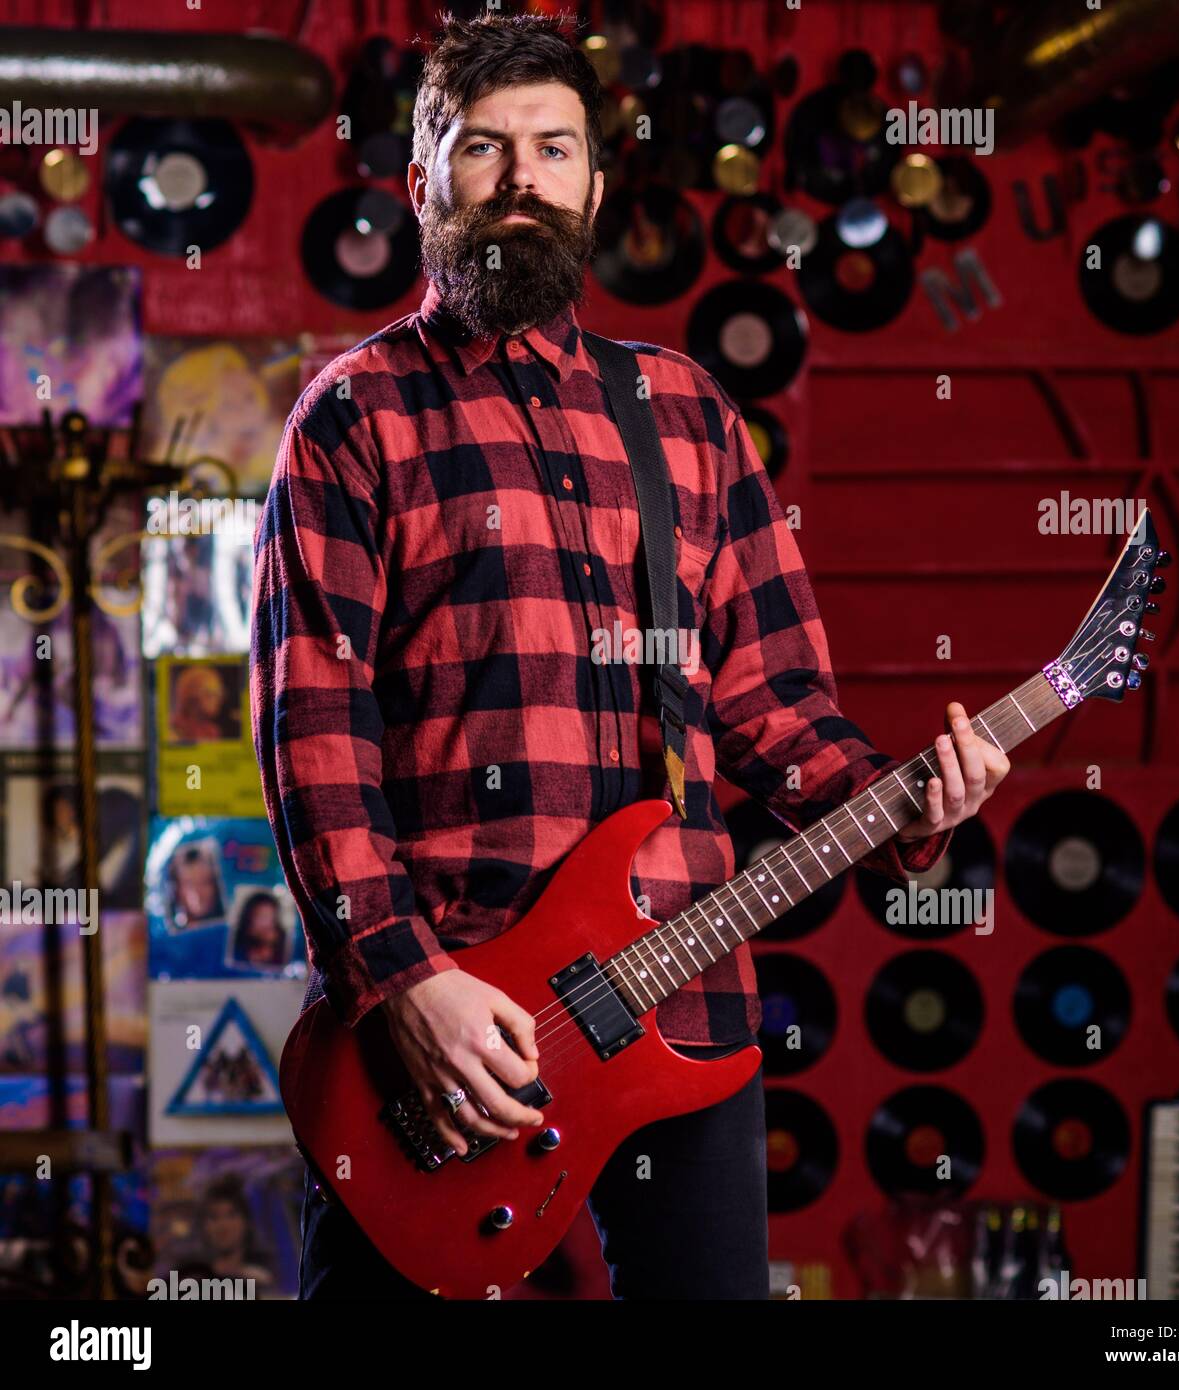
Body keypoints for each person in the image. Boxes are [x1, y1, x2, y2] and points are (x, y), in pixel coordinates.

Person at [250, 12, 1010, 1302]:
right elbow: (314, 732)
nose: (521, 179)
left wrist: (905, 803)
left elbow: (773, 705)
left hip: (684, 1010)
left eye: (554, 149)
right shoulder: (357, 414)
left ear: (597, 183)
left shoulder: (686, 412)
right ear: (423, 177)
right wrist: (403, 984)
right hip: (452, 1032)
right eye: (482, 148)